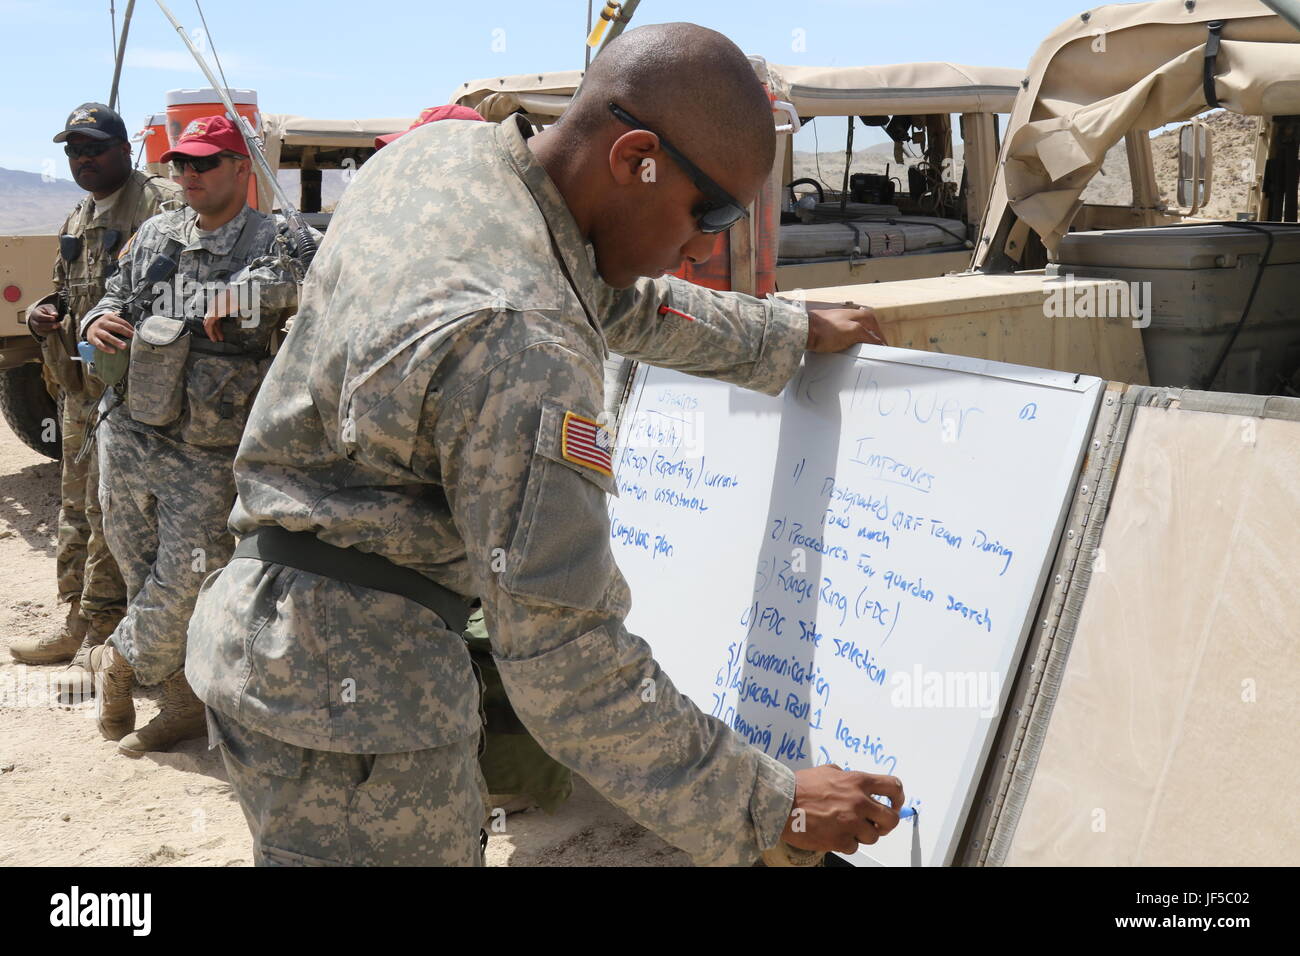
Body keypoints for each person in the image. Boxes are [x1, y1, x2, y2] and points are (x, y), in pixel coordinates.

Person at [186, 22, 904, 866]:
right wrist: (772, 805)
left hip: (263, 644)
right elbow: (564, 662)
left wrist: (780, 335)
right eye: (709, 212)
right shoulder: (522, 346)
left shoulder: (442, 162)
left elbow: (599, 294)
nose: (709, 244)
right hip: (360, 716)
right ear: (635, 155)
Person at [80, 114, 311, 756]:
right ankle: (180, 702)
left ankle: (119, 660)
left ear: (242, 168)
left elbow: (312, 284)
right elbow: (116, 296)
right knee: (139, 566)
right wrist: (100, 319)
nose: (188, 174)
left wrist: (240, 296)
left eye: (205, 163)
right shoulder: (156, 233)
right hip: (129, 427)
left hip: (208, 446)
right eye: (181, 163)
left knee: (189, 574)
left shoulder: (277, 238)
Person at [10, 104, 180, 700]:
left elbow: (181, 287)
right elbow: (72, 285)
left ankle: (112, 636)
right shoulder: (80, 212)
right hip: (81, 390)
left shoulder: (160, 204)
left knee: (116, 515)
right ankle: (77, 620)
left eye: (94, 149)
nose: (83, 160)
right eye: (73, 152)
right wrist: (43, 312)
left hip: (135, 393)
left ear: (124, 147)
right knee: (77, 508)